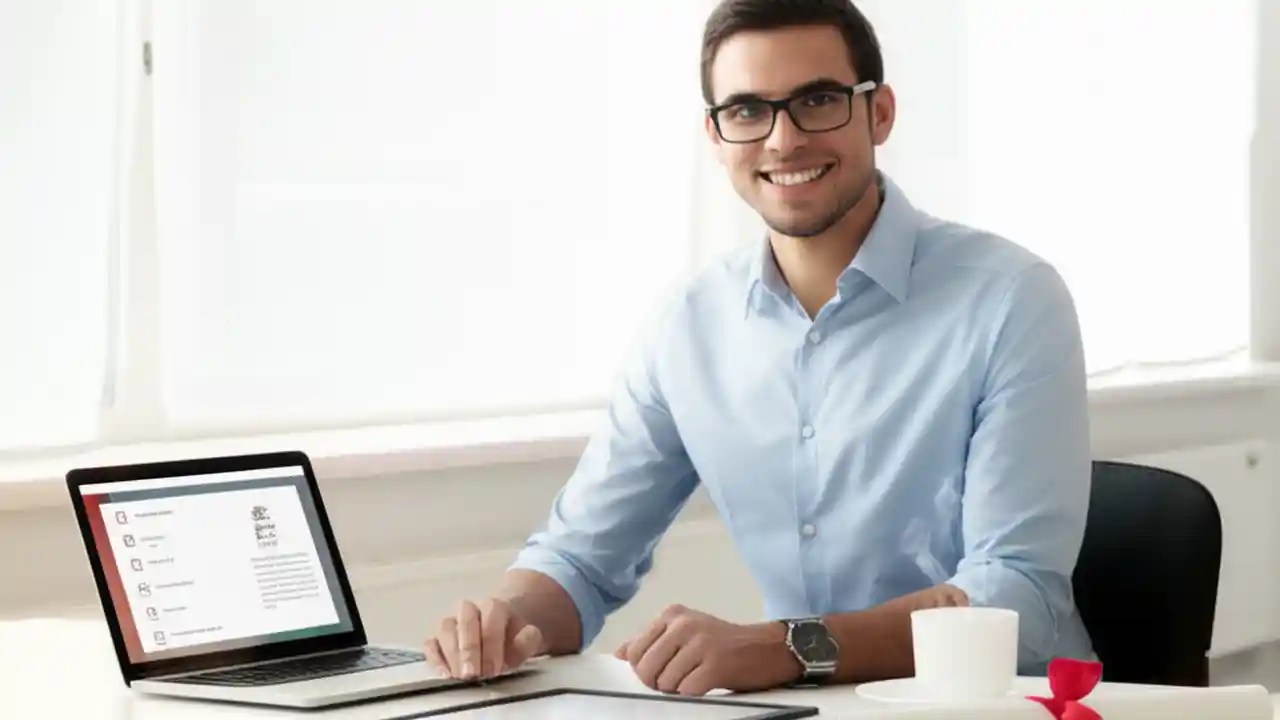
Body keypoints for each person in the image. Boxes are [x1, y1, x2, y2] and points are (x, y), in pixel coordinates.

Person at [424, 0, 1094, 696]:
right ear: (715, 135)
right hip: (802, 707)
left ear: (881, 113)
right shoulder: (688, 327)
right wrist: (504, 620)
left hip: (991, 707)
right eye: (747, 111)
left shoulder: (1012, 298)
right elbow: (579, 560)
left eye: (818, 101)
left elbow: (1016, 597)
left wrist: (787, 648)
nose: (782, 140)